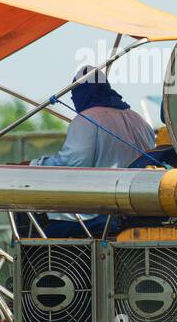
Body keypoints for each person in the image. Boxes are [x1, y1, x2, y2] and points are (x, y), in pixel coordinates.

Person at [27, 65, 157, 237]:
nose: (74, 102)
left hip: (101, 216)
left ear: (82, 93)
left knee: (38, 230)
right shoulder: (139, 120)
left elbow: (71, 165)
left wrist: (33, 166)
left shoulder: (87, 119)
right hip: (139, 212)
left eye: (74, 96)